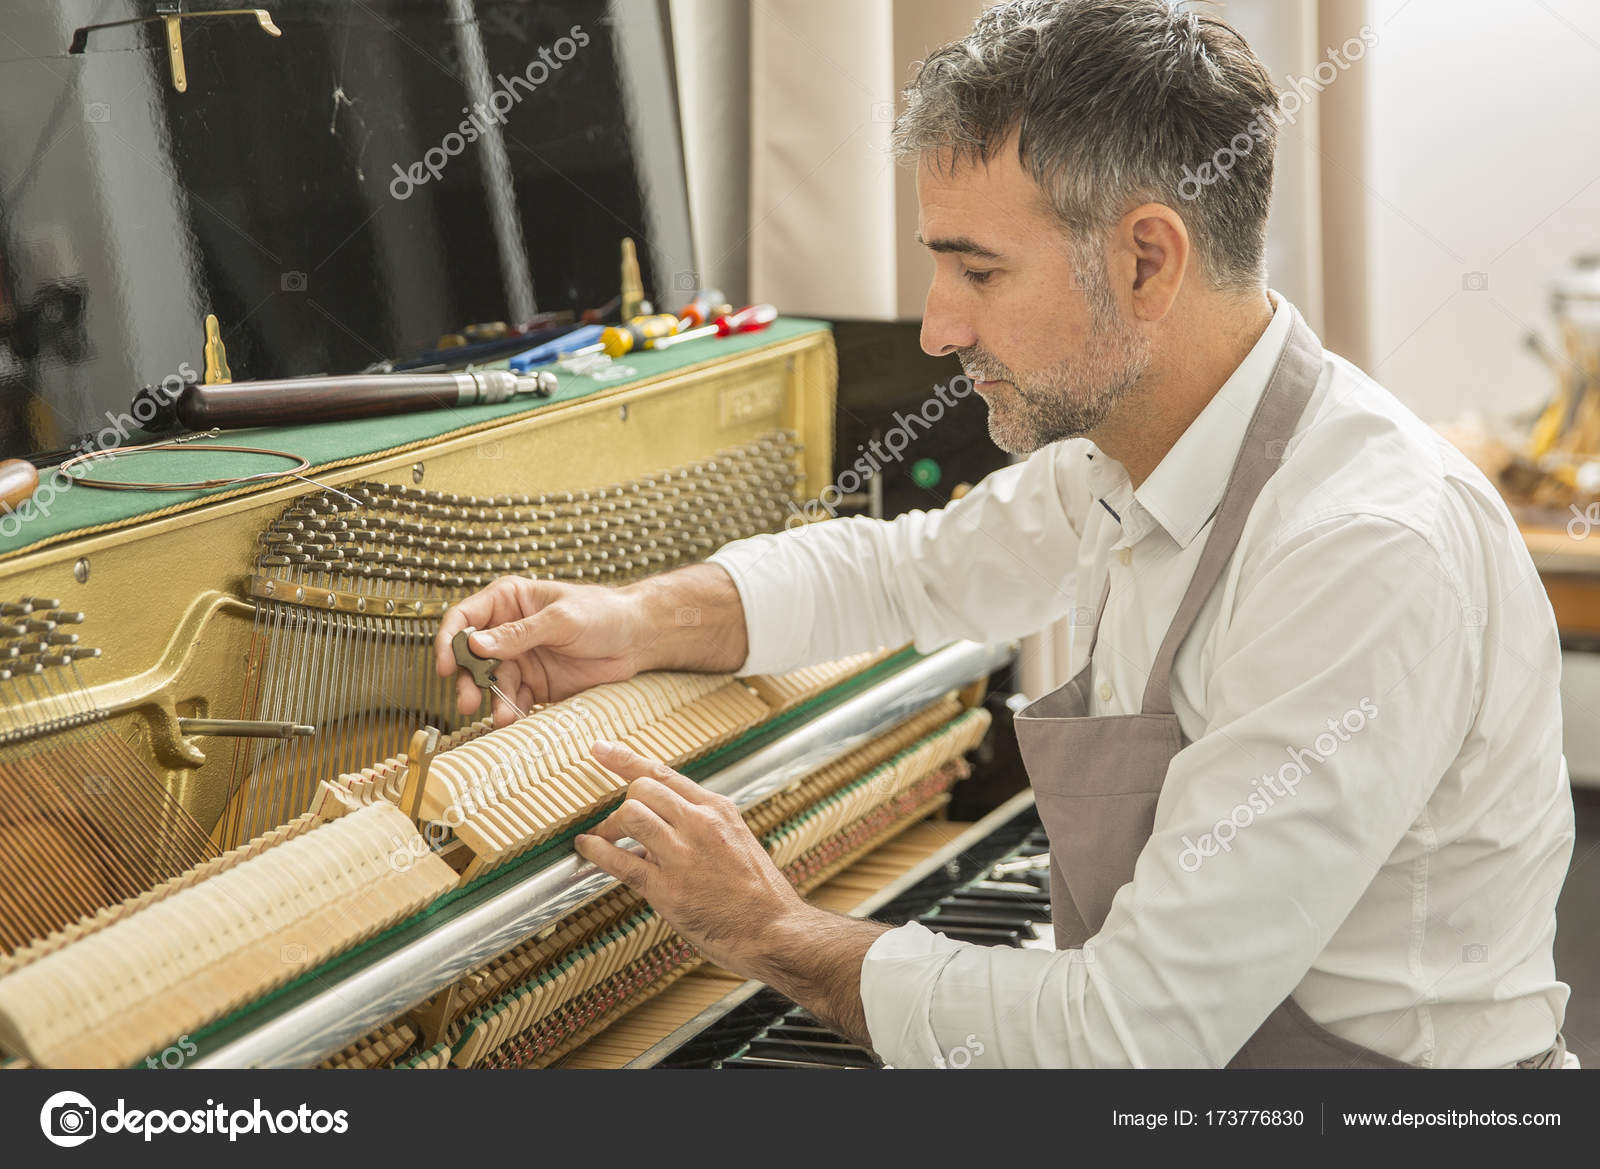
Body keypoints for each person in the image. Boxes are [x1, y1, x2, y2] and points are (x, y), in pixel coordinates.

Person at [435, 0, 1574, 1067]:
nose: (937, 327)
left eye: (975, 270)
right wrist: (633, 618)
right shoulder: (1132, 447)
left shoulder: (1358, 552)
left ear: (1145, 260)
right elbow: (907, 569)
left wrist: (769, 928)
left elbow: (1128, 1034)